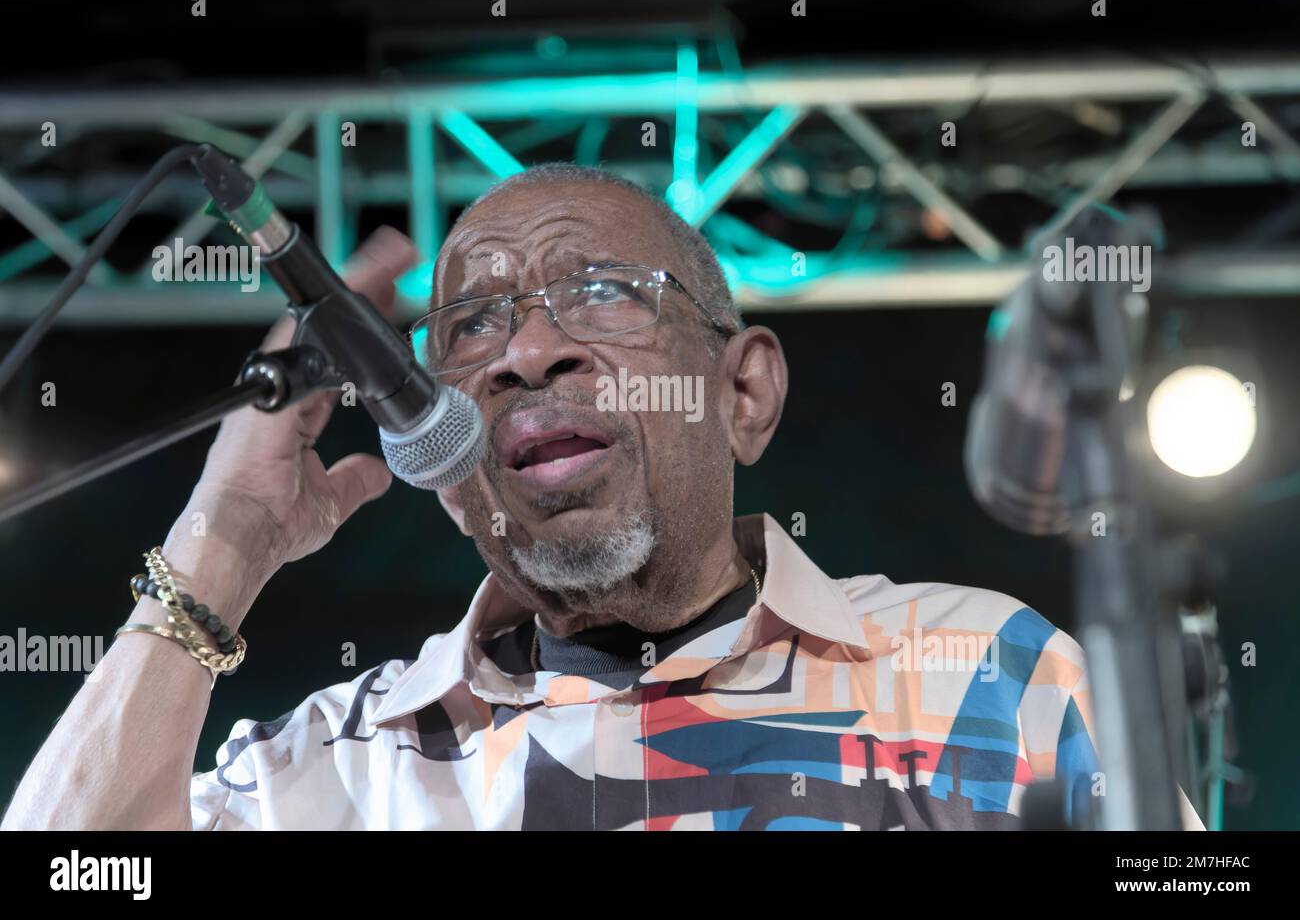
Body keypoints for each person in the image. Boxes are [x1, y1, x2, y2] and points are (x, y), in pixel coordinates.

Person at [2, 163, 1202, 830]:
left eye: (603, 293)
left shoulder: (987, 673)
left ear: (744, 391)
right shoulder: (326, 769)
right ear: (432, 441)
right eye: (469, 324)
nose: (527, 352)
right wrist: (222, 544)